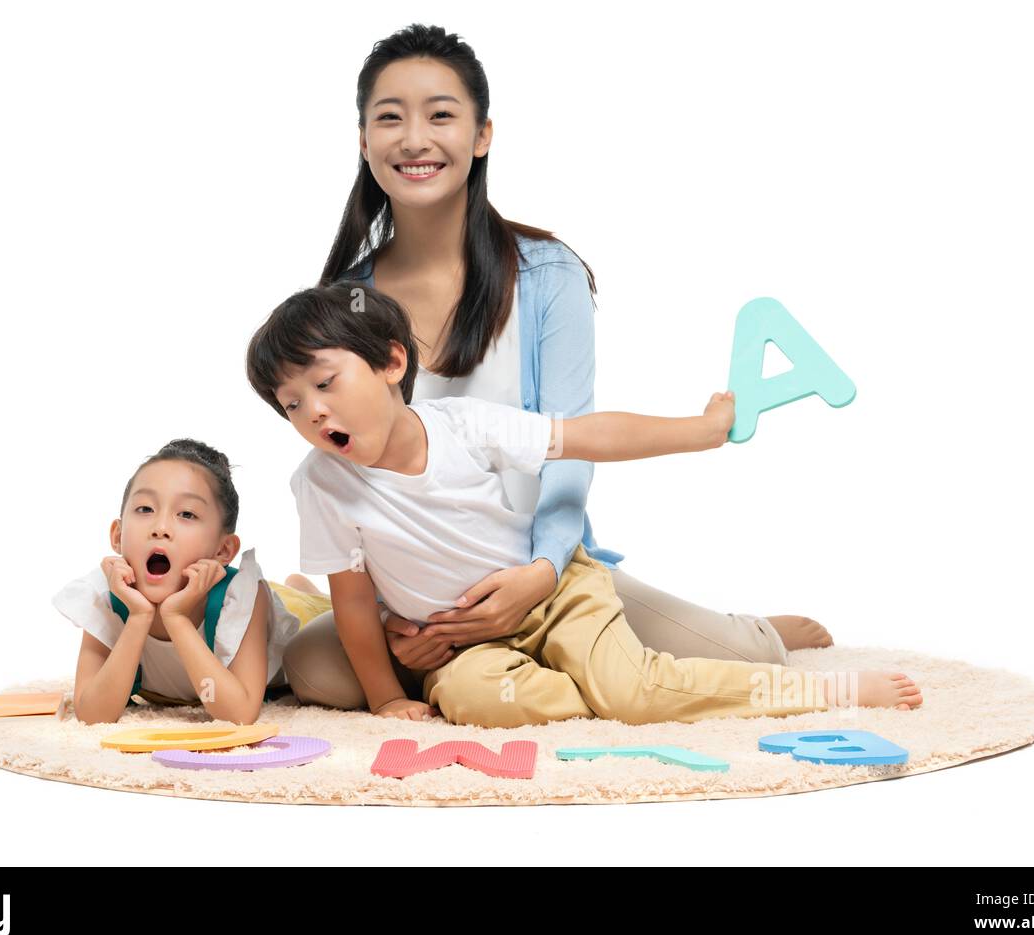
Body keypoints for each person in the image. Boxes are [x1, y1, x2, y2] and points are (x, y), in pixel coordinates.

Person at [280, 24, 833, 711]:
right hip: (421, 590)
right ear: (364, 142)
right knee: (314, 670)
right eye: (389, 118)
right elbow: (349, 466)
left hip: (539, 567)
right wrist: (397, 624)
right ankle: (478, 662)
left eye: (441, 115)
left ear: (482, 134)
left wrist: (539, 573)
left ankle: (735, 633)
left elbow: (571, 446)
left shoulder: (546, 274)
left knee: (739, 658)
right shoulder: (348, 300)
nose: (414, 139)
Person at [245, 284, 923, 726]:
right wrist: (391, 696)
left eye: (325, 383)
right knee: (481, 699)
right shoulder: (321, 485)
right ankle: (615, 683)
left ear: (392, 362)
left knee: (635, 690)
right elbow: (356, 606)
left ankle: (809, 678)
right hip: (459, 643)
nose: (313, 412)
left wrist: (697, 430)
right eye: (293, 404)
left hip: (556, 595)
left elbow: (584, 436)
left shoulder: (464, 425)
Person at [52, 438, 331, 724]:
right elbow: (92, 714)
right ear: (117, 535)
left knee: (314, 614)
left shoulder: (241, 597)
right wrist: (138, 618)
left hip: (295, 619)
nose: (160, 528)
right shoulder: (106, 595)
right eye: (145, 509)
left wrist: (177, 619)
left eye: (186, 514)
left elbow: (239, 715)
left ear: (223, 551)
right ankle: (296, 586)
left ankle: (301, 589)